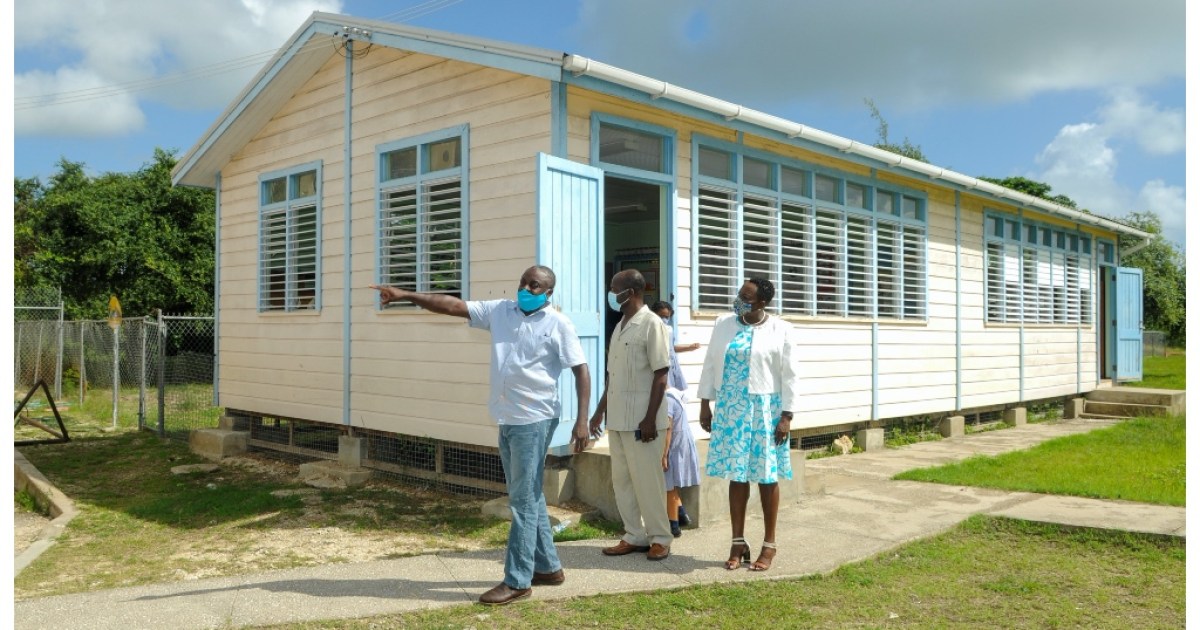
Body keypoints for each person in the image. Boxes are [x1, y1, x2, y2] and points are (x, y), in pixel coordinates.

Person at [370, 265, 591, 606]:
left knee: (520, 500)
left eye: (535, 286)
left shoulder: (558, 324)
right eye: (523, 282)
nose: (526, 289)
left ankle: (518, 580)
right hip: (507, 417)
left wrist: (582, 420)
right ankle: (548, 568)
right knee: (528, 493)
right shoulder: (501, 311)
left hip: (535, 419)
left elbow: (581, 370)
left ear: (548, 293)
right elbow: (451, 305)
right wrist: (406, 295)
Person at [697, 277, 800, 572]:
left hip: (766, 409)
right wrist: (706, 403)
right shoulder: (724, 324)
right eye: (739, 294)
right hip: (730, 408)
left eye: (746, 296)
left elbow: (790, 374)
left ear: (762, 302)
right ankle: (737, 542)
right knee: (736, 475)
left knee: (767, 477)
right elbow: (710, 363)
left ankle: (770, 544)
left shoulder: (781, 329)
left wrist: (787, 416)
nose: (739, 300)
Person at [588, 269, 674, 561]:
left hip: (643, 421)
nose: (611, 294)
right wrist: (599, 412)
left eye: (615, 289)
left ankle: (660, 537)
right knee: (622, 481)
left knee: (647, 481)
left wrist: (650, 418)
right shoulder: (620, 324)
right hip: (619, 420)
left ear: (632, 292)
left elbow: (662, 373)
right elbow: (613, 377)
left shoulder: (652, 324)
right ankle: (634, 535)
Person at [662, 387, 700, 537]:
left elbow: (667, 428)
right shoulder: (674, 394)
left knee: (668, 485)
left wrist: (664, 454)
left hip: (675, 444)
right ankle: (682, 515)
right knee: (670, 483)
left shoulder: (667, 399)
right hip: (682, 441)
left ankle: (674, 526)